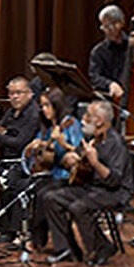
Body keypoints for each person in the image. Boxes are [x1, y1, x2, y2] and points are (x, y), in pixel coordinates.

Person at [43, 100, 133, 266]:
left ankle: (102, 247)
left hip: (114, 191)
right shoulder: (92, 138)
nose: (84, 118)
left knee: (79, 207)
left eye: (88, 116)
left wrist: (95, 163)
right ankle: (66, 249)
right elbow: (73, 157)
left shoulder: (116, 143)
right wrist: (70, 159)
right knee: (51, 198)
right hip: (92, 186)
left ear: (99, 120)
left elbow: (114, 180)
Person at [0, 76, 40, 242]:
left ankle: (8, 230)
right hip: (5, 159)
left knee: (5, 183)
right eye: (11, 93)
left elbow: (20, 143)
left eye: (18, 93)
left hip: (21, 163)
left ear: (30, 93)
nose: (14, 97)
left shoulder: (33, 114)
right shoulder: (11, 112)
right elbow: (4, 131)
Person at [22, 88, 84, 251]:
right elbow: (42, 151)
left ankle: (38, 241)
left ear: (57, 105)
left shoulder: (71, 124)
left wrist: (63, 144)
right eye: (42, 106)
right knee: (33, 188)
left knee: (44, 193)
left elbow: (80, 154)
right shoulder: (48, 127)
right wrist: (34, 146)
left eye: (47, 105)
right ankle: (35, 238)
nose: (44, 109)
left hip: (69, 177)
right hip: (51, 174)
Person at [88, 3, 134, 102]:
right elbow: (94, 76)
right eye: (104, 26)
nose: (107, 31)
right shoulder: (99, 51)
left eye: (111, 26)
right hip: (110, 101)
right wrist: (110, 84)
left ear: (121, 23)